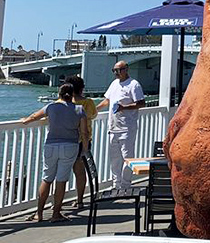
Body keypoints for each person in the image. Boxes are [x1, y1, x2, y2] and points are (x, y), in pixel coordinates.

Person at [22, 83, 88, 222]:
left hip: (51, 145)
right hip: (70, 146)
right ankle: (56, 214)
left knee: (46, 178)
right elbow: (84, 132)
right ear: (73, 95)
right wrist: (85, 149)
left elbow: (35, 116)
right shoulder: (79, 109)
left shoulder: (51, 107)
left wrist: (26, 121)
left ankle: (39, 213)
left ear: (59, 95)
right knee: (61, 180)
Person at [97, 61, 145, 190]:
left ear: (126, 69)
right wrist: (95, 109)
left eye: (118, 70)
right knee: (114, 159)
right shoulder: (114, 84)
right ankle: (116, 185)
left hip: (127, 128)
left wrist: (124, 107)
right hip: (113, 128)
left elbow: (141, 103)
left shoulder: (134, 85)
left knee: (127, 158)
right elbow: (107, 100)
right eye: (114, 70)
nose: (116, 73)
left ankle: (125, 185)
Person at [64, 74, 98, 209]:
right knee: (79, 172)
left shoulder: (63, 104)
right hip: (83, 141)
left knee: (61, 172)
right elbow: (94, 115)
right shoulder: (88, 103)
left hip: (65, 140)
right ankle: (79, 200)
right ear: (81, 88)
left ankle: (57, 201)